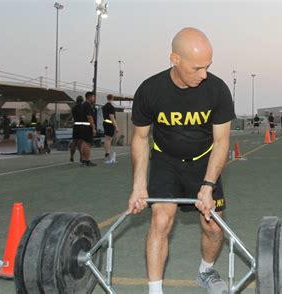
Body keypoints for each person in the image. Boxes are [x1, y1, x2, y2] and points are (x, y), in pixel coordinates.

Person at [128, 27, 235, 294]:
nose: (204, 75)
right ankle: (155, 290)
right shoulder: (150, 90)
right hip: (166, 161)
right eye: (197, 68)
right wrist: (139, 185)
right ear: (175, 59)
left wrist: (208, 185)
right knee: (161, 220)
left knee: (213, 227)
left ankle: (206, 271)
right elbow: (141, 138)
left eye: (208, 67)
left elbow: (221, 142)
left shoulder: (217, 90)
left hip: (203, 162)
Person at [76, 92, 97, 166]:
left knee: (84, 143)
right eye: (93, 97)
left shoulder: (83, 105)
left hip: (82, 126)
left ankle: (84, 160)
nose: (94, 99)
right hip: (87, 127)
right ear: (89, 97)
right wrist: (93, 127)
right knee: (87, 144)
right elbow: (89, 117)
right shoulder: (87, 106)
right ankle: (87, 160)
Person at [102, 94, 120, 163]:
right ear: (112, 98)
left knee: (107, 138)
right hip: (109, 124)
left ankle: (106, 153)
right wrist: (116, 127)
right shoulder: (111, 107)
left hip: (105, 123)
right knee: (109, 139)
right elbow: (112, 117)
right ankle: (107, 154)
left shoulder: (104, 107)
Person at [70, 96, 84, 163]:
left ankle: (71, 157)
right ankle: (81, 157)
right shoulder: (83, 108)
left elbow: (73, 116)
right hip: (82, 126)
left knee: (74, 142)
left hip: (75, 125)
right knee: (80, 143)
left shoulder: (74, 108)